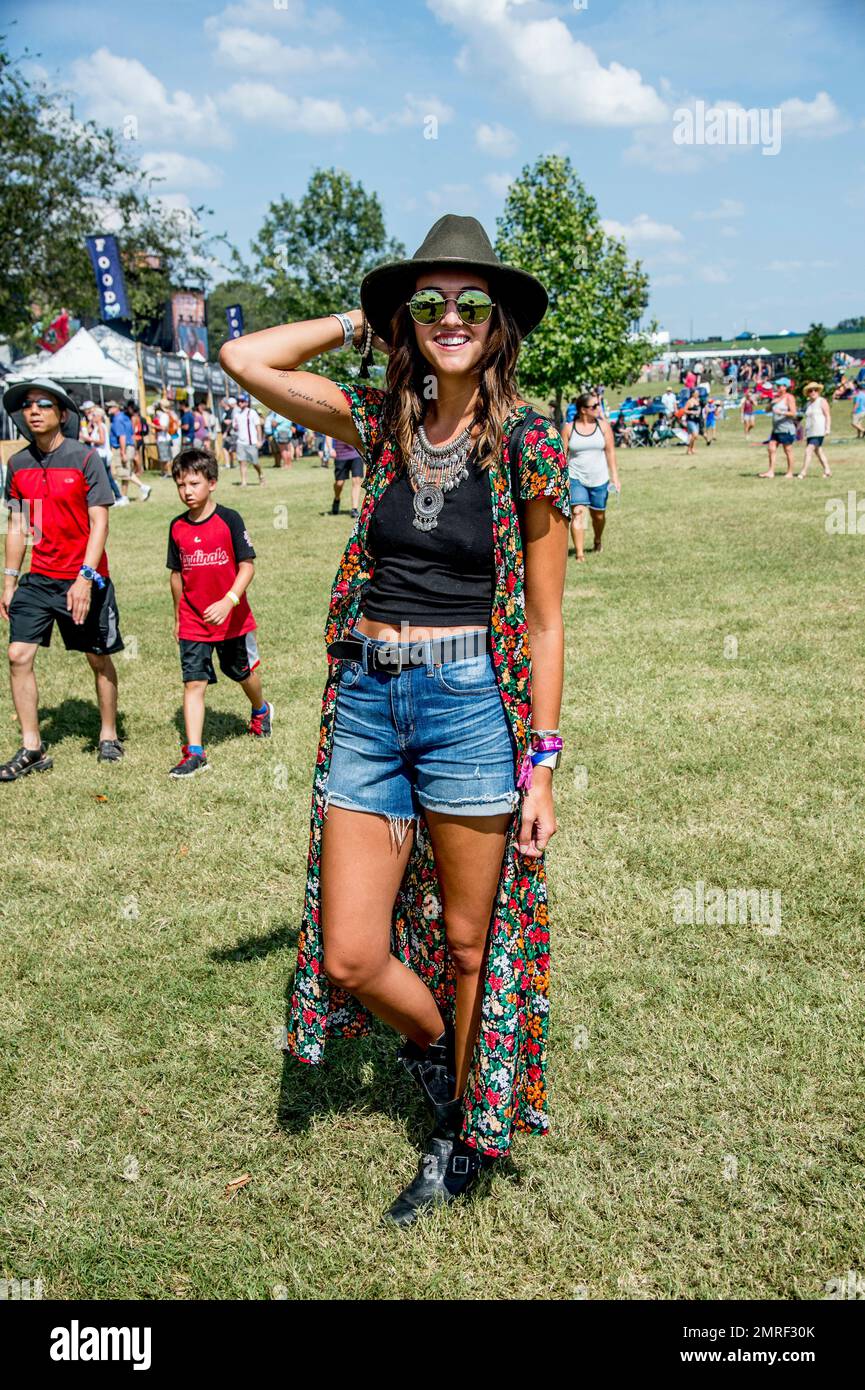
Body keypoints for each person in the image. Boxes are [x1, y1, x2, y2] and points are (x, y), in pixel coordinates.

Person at [220, 212, 570, 1226]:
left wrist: (542, 763)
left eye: (470, 303)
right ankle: (437, 1054)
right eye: (428, 302)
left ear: (497, 322)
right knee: (349, 954)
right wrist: (358, 319)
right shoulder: (379, 421)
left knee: (469, 949)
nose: (450, 318)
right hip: (369, 699)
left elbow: (544, 624)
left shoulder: (528, 440)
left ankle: (461, 1130)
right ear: (405, 319)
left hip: (469, 706)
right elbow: (244, 355)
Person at [0, 378, 125, 778]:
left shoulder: (85, 458)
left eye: (43, 404)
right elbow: (18, 524)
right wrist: (9, 580)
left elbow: (99, 522)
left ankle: (108, 734)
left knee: (97, 657)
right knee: (18, 654)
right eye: (27, 406)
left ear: (62, 414)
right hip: (40, 578)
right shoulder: (17, 464)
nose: (33, 411)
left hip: (85, 576)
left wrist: (85, 578)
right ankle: (32, 747)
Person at [166, 447, 273, 778]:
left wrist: (229, 600)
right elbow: (175, 576)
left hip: (232, 619)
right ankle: (195, 752)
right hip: (193, 621)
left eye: (194, 484)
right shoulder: (176, 527)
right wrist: (178, 617)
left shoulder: (229, 519)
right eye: (181, 485)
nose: (187, 492)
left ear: (212, 482)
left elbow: (247, 567)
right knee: (194, 682)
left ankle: (260, 709)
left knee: (239, 671)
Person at [562, 391, 619, 563]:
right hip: (575, 477)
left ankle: (597, 539)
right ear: (583, 409)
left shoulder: (603, 427)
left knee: (598, 515)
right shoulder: (568, 428)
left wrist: (615, 477)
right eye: (594, 406)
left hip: (599, 478)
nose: (597, 408)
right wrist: (562, 479)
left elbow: (610, 452)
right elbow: (562, 456)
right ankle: (580, 554)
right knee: (578, 512)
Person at [108, 402, 151, 503]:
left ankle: (143, 487)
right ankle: (124, 497)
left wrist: (123, 452)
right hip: (129, 446)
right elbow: (131, 435)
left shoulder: (118, 419)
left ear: (117, 408)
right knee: (126, 472)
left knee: (123, 472)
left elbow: (122, 436)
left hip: (123, 447)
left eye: (111, 406)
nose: (108, 408)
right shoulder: (126, 418)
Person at [82, 402, 123, 504]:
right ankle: (118, 496)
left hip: (102, 455)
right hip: (101, 454)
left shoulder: (101, 427)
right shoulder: (97, 426)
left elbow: (102, 441)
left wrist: (89, 439)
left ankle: (117, 497)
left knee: (106, 478)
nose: (92, 417)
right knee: (108, 477)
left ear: (100, 416)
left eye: (94, 415)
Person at [759, 381, 799, 478]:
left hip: (786, 428)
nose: (777, 387)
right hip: (776, 429)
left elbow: (793, 413)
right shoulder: (776, 398)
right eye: (776, 386)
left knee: (788, 450)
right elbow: (767, 410)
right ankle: (770, 472)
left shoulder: (789, 397)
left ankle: (790, 472)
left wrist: (781, 412)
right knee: (771, 448)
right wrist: (771, 403)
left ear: (785, 387)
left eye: (779, 386)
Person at [797, 383, 832, 479]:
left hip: (819, 430)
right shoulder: (808, 404)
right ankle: (827, 470)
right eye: (810, 390)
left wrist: (827, 428)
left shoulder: (822, 401)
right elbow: (804, 417)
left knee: (809, 450)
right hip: (810, 431)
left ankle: (803, 472)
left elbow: (827, 415)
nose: (813, 392)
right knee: (818, 451)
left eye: (815, 390)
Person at [232, 393, 264, 486]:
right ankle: (244, 482)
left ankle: (261, 475)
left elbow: (258, 427)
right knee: (242, 462)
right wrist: (235, 427)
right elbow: (235, 427)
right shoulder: (237, 414)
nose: (240, 403)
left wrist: (259, 440)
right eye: (238, 401)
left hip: (251, 442)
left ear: (246, 402)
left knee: (255, 462)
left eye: (242, 401)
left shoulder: (252, 412)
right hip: (240, 442)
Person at [330, 433, 363, 516]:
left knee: (357, 480)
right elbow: (328, 433)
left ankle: (354, 509)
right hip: (341, 454)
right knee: (339, 483)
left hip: (356, 453)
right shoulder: (336, 420)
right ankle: (337, 498)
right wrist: (330, 448)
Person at [682, 390, 702, 455]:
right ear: (693, 394)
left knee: (693, 436)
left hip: (697, 420)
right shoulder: (689, 401)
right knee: (695, 435)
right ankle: (689, 449)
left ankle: (691, 449)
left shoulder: (697, 401)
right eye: (696, 393)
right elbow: (684, 410)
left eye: (698, 393)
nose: (698, 394)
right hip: (690, 420)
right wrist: (691, 412)